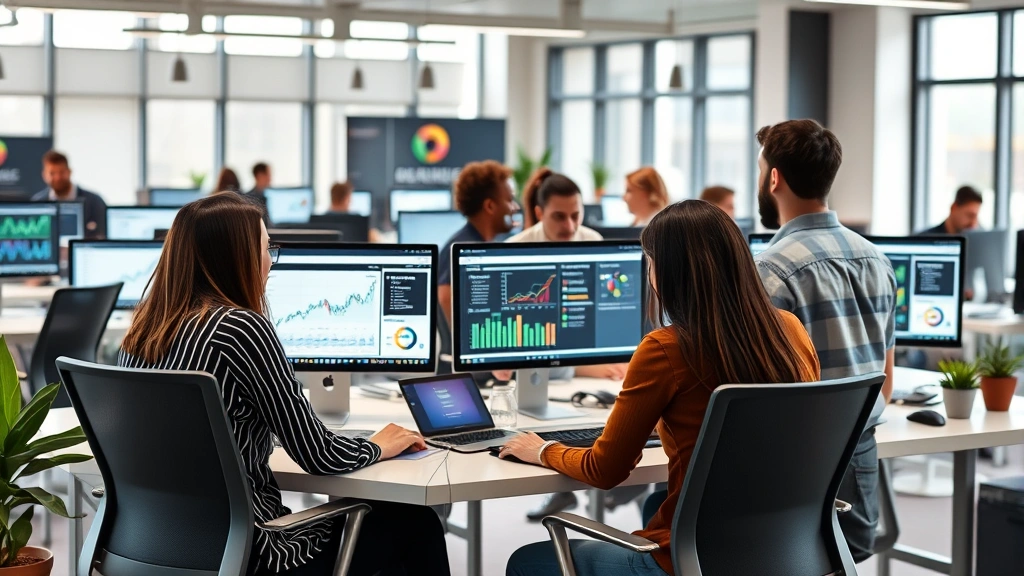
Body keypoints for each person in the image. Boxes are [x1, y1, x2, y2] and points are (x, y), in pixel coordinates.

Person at [118, 194, 450, 576]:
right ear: (237, 258)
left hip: (151, 546)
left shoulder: (142, 333)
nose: (270, 263)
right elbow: (318, 455)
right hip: (248, 554)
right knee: (415, 522)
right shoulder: (240, 328)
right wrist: (377, 444)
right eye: (265, 249)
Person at [501, 200, 821, 576]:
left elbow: (605, 470)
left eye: (650, 263)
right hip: (783, 550)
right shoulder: (790, 329)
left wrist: (542, 449)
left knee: (525, 561)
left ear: (668, 272)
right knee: (657, 502)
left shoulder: (665, 348)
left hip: (698, 560)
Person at [754, 119, 896, 562]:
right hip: (859, 456)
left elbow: (757, 396)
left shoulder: (770, 271)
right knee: (839, 559)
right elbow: (884, 379)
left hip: (794, 472)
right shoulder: (877, 259)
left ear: (773, 178)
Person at [437, 160, 520, 330]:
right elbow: (445, 297)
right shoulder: (461, 249)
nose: (515, 207)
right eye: (510, 200)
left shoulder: (484, 245)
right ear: (490, 206)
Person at [508, 168, 603, 242]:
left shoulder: (593, 240)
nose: (569, 227)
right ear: (539, 213)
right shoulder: (515, 249)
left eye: (575, 216)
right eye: (559, 217)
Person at [31, 150, 106, 238]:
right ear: (44, 175)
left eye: (61, 172)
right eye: (52, 173)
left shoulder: (95, 202)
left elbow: (104, 234)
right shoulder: (38, 203)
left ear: (69, 172)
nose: (57, 177)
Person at [918, 185, 983, 235]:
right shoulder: (925, 239)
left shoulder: (980, 242)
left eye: (976, 217)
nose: (974, 223)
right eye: (970, 216)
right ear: (953, 208)